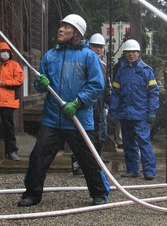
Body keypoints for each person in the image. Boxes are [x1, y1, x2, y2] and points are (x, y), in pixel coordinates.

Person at [18, 14, 110, 207]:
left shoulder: (88, 56)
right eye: (61, 26)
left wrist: (78, 102)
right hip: (52, 118)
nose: (60, 29)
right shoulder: (50, 55)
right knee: (39, 156)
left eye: (67, 27)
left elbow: (96, 84)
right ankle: (32, 194)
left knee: (88, 159)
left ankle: (100, 193)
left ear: (76, 33)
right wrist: (40, 83)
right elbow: (40, 84)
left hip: (79, 118)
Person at [109, 39, 159, 181]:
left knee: (144, 142)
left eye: (134, 52)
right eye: (129, 52)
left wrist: (152, 111)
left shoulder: (146, 71)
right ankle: (133, 169)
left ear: (139, 53)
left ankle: (149, 171)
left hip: (141, 114)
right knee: (128, 143)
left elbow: (153, 93)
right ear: (124, 54)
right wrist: (113, 111)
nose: (131, 54)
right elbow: (116, 93)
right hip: (125, 114)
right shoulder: (120, 72)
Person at [70, 33, 112, 176]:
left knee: (99, 136)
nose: (98, 50)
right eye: (95, 46)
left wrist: (107, 105)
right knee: (82, 136)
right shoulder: (82, 63)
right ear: (89, 46)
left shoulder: (104, 66)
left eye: (101, 47)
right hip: (84, 105)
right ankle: (77, 165)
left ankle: (94, 164)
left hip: (100, 107)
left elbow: (107, 88)